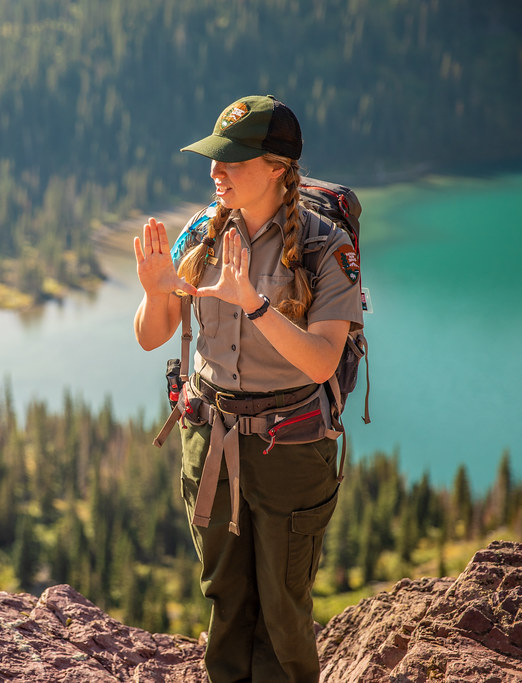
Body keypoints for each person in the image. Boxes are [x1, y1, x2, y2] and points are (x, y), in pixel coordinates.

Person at [132, 95, 363, 682]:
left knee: (284, 615)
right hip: (209, 438)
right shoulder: (199, 234)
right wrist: (158, 289)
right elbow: (149, 337)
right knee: (225, 598)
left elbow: (319, 363)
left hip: (290, 449)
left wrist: (254, 305)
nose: (215, 171)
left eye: (231, 160)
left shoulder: (326, 249)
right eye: (214, 158)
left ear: (278, 168)